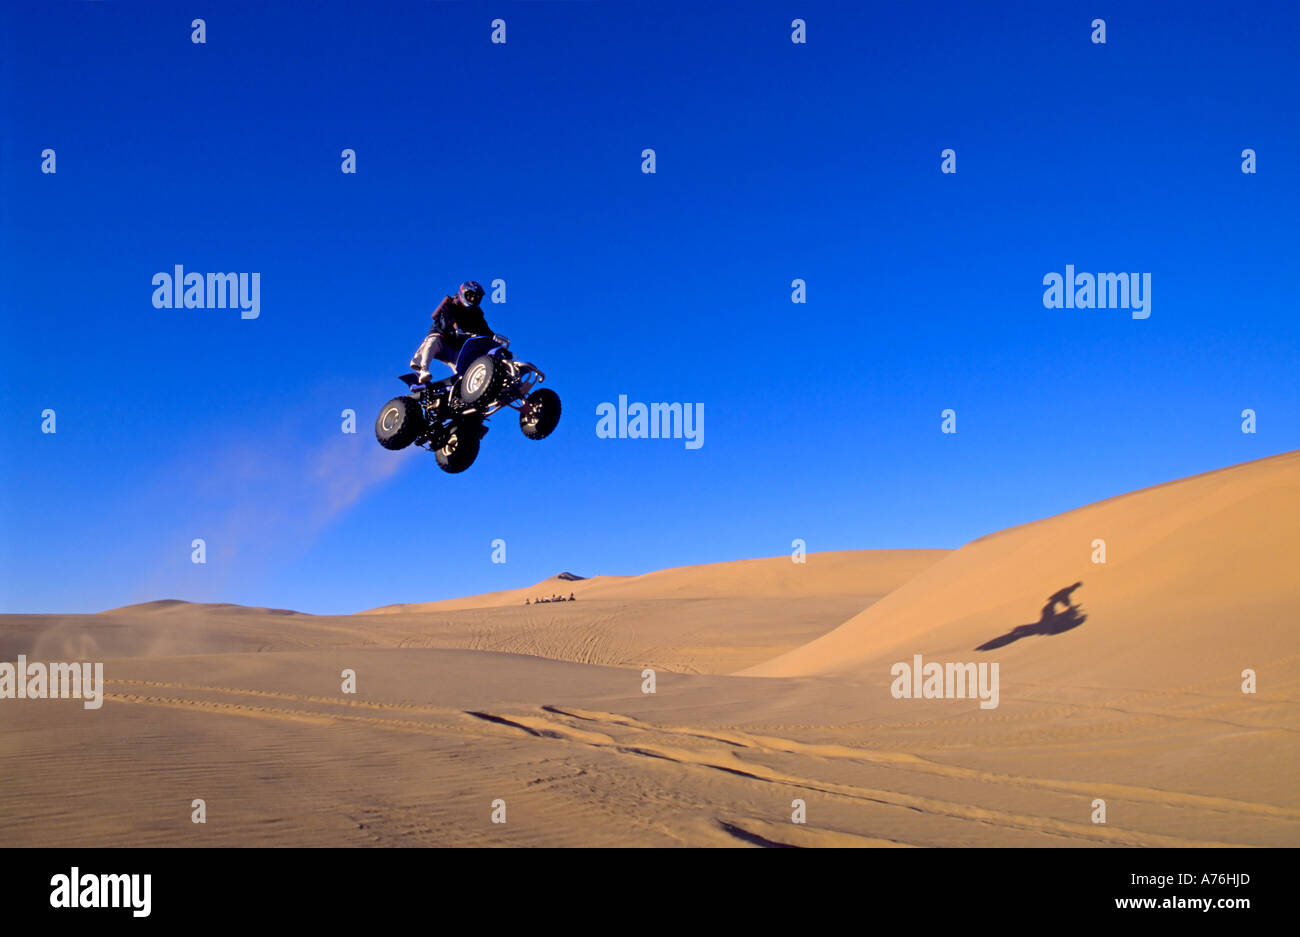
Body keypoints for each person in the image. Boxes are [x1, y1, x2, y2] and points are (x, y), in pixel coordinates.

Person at [409, 280, 492, 384]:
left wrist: (495, 340)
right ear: (463, 293)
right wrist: (456, 328)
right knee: (433, 340)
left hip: (453, 346)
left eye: (476, 298)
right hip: (441, 338)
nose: (472, 299)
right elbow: (447, 317)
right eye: (470, 296)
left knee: (465, 368)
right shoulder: (451, 303)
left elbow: (485, 329)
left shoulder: (477, 314)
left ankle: (465, 388)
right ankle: (423, 369)